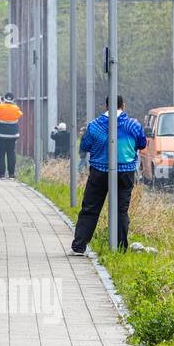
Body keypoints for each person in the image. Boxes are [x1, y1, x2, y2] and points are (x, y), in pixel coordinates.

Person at [71, 96, 147, 255]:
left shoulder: (95, 126)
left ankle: (79, 245)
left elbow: (85, 146)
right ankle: (120, 248)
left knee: (90, 208)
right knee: (121, 210)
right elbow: (142, 143)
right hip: (125, 172)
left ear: (106, 106)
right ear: (123, 106)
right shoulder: (133, 125)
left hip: (99, 171)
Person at [0, 93, 22, 179]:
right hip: (12, 136)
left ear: (4, 100)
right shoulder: (16, 109)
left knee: (0, 154)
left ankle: (1, 174)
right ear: (13, 100)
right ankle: (11, 174)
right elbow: (20, 114)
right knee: (11, 153)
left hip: (0, 136)